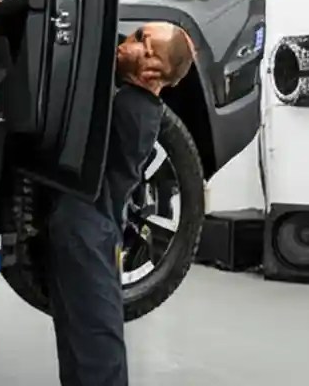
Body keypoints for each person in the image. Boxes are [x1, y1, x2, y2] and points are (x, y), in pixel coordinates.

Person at [46, 22, 196, 386]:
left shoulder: (129, 108)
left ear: (151, 70)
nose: (126, 40)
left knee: (95, 340)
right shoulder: (141, 102)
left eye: (140, 40)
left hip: (86, 232)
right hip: (90, 227)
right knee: (81, 336)